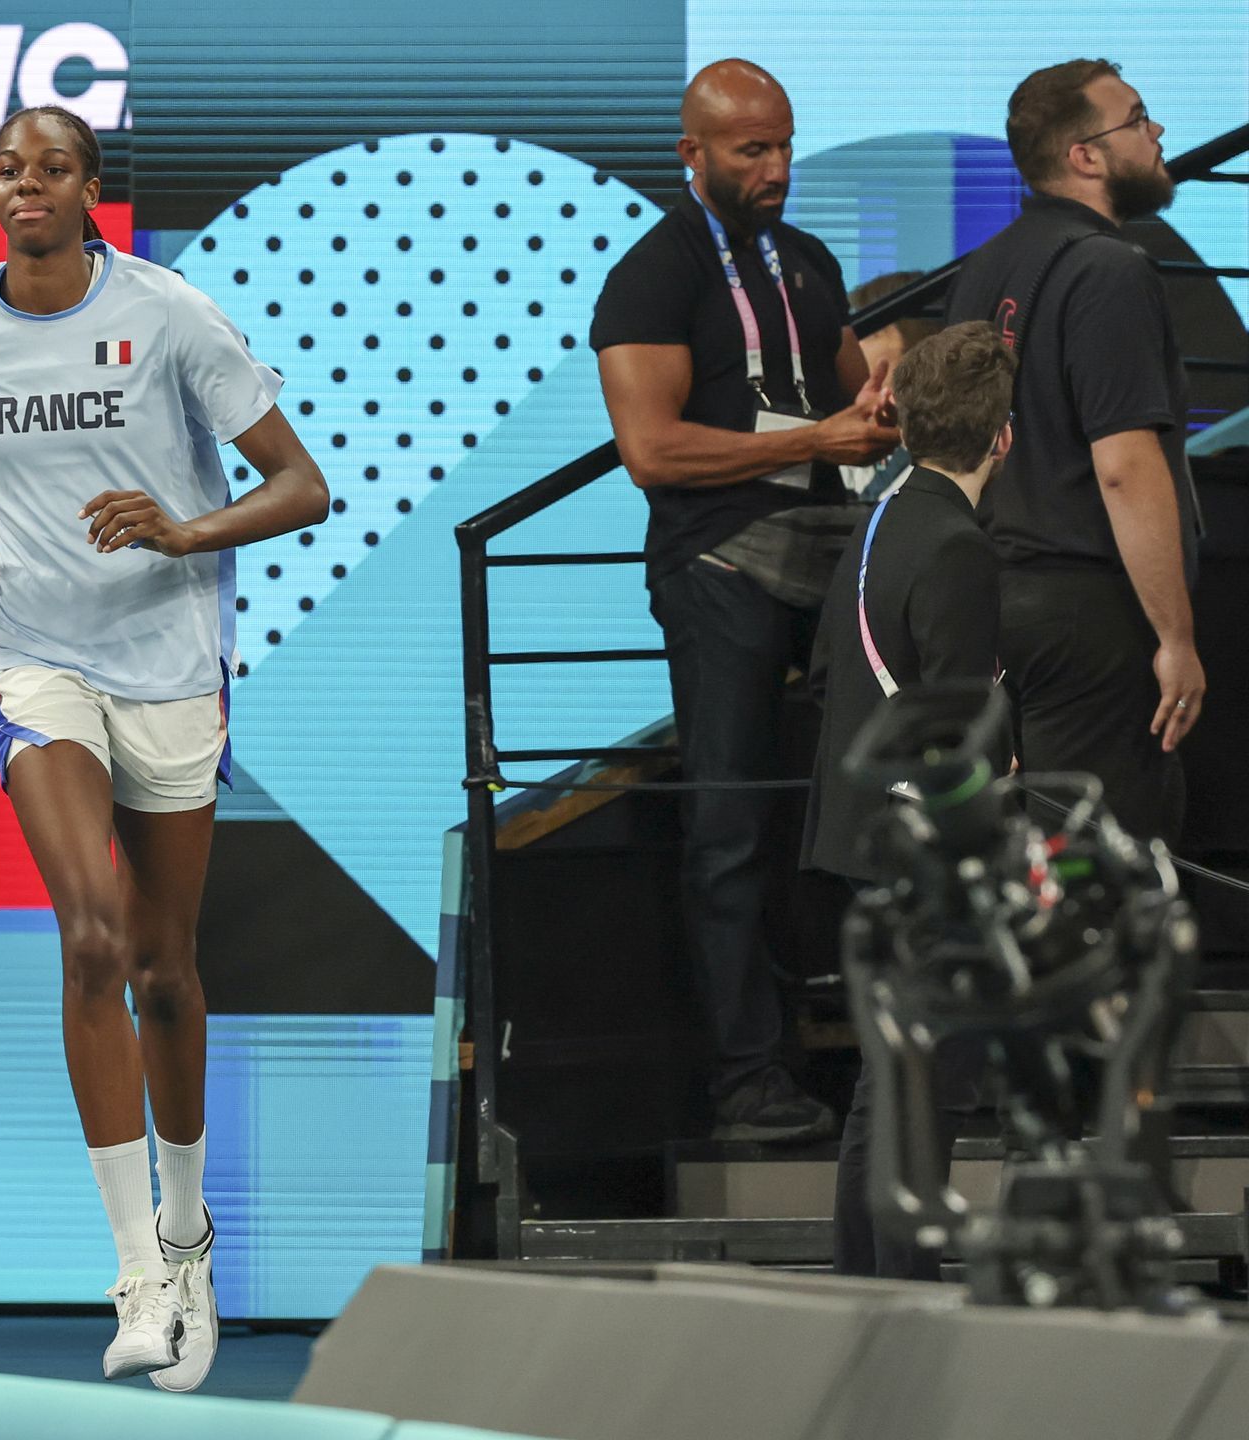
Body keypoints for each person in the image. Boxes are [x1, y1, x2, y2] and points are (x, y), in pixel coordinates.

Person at [0, 105, 329, 1392]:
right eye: (10, 171)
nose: (28, 188)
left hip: (172, 664)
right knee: (89, 937)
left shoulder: (171, 316)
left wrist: (184, 532)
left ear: (89, 192)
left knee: (165, 967)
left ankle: (190, 1241)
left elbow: (300, 486)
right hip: (30, 656)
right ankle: (135, 1270)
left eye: (53, 171)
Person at [592, 59, 900, 1144]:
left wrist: (885, 389)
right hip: (719, 562)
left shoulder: (808, 260)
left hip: (831, 556)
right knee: (728, 828)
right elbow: (648, 449)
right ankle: (745, 1083)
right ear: (693, 155)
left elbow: (849, 395)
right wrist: (820, 435)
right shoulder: (653, 273)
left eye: (782, 144)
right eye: (748, 151)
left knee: (871, 815)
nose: (774, 168)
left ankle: (897, 1060)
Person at [801, 322, 1018, 1280]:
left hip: (863, 840)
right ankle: (905, 1305)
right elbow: (965, 735)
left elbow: (819, 675)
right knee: (922, 1094)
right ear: (1004, 437)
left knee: (885, 1093)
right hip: (933, 857)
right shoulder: (958, 545)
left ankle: (869, 1297)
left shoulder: (884, 516)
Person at [945, 59, 1201, 847]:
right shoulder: (1110, 269)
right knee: (1105, 867)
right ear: (1085, 156)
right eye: (1138, 118)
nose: (1157, 133)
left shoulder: (980, 271)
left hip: (988, 601)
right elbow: (1123, 466)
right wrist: (1176, 639)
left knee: (1024, 869)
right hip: (1087, 614)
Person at [841, 271, 937, 499]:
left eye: (869, 333)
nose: (852, 345)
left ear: (918, 345)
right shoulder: (840, 439)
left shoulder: (949, 453)